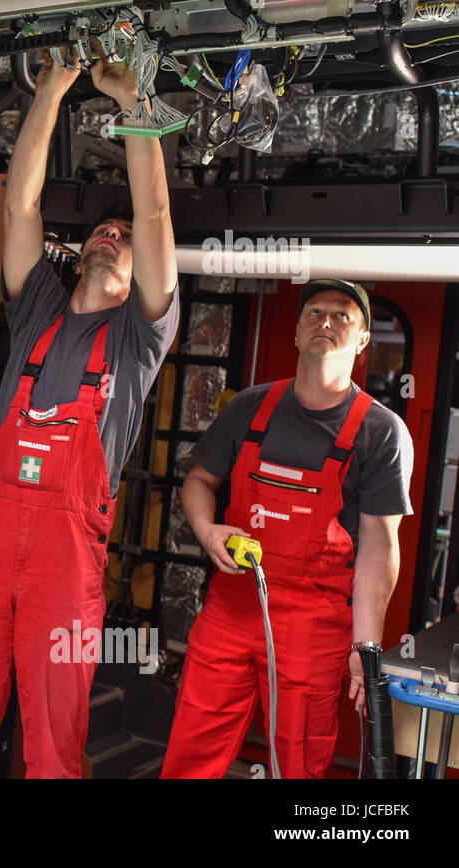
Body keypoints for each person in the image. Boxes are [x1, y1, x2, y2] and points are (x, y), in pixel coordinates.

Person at [0, 44, 179, 779]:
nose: (114, 236)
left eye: (126, 239)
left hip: (66, 562)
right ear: (82, 251)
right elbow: (20, 204)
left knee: (53, 751)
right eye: (104, 231)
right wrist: (53, 86)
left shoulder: (139, 339)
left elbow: (156, 210)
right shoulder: (38, 299)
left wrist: (134, 105)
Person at [161, 278, 413, 778]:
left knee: (296, 764)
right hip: (231, 609)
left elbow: (380, 552)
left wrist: (366, 649)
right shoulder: (249, 408)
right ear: (297, 332)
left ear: (363, 340)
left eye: (342, 315)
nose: (325, 320)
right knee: (192, 752)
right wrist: (207, 530)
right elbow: (198, 482)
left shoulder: (380, 432)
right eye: (314, 311)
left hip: (313, 624)